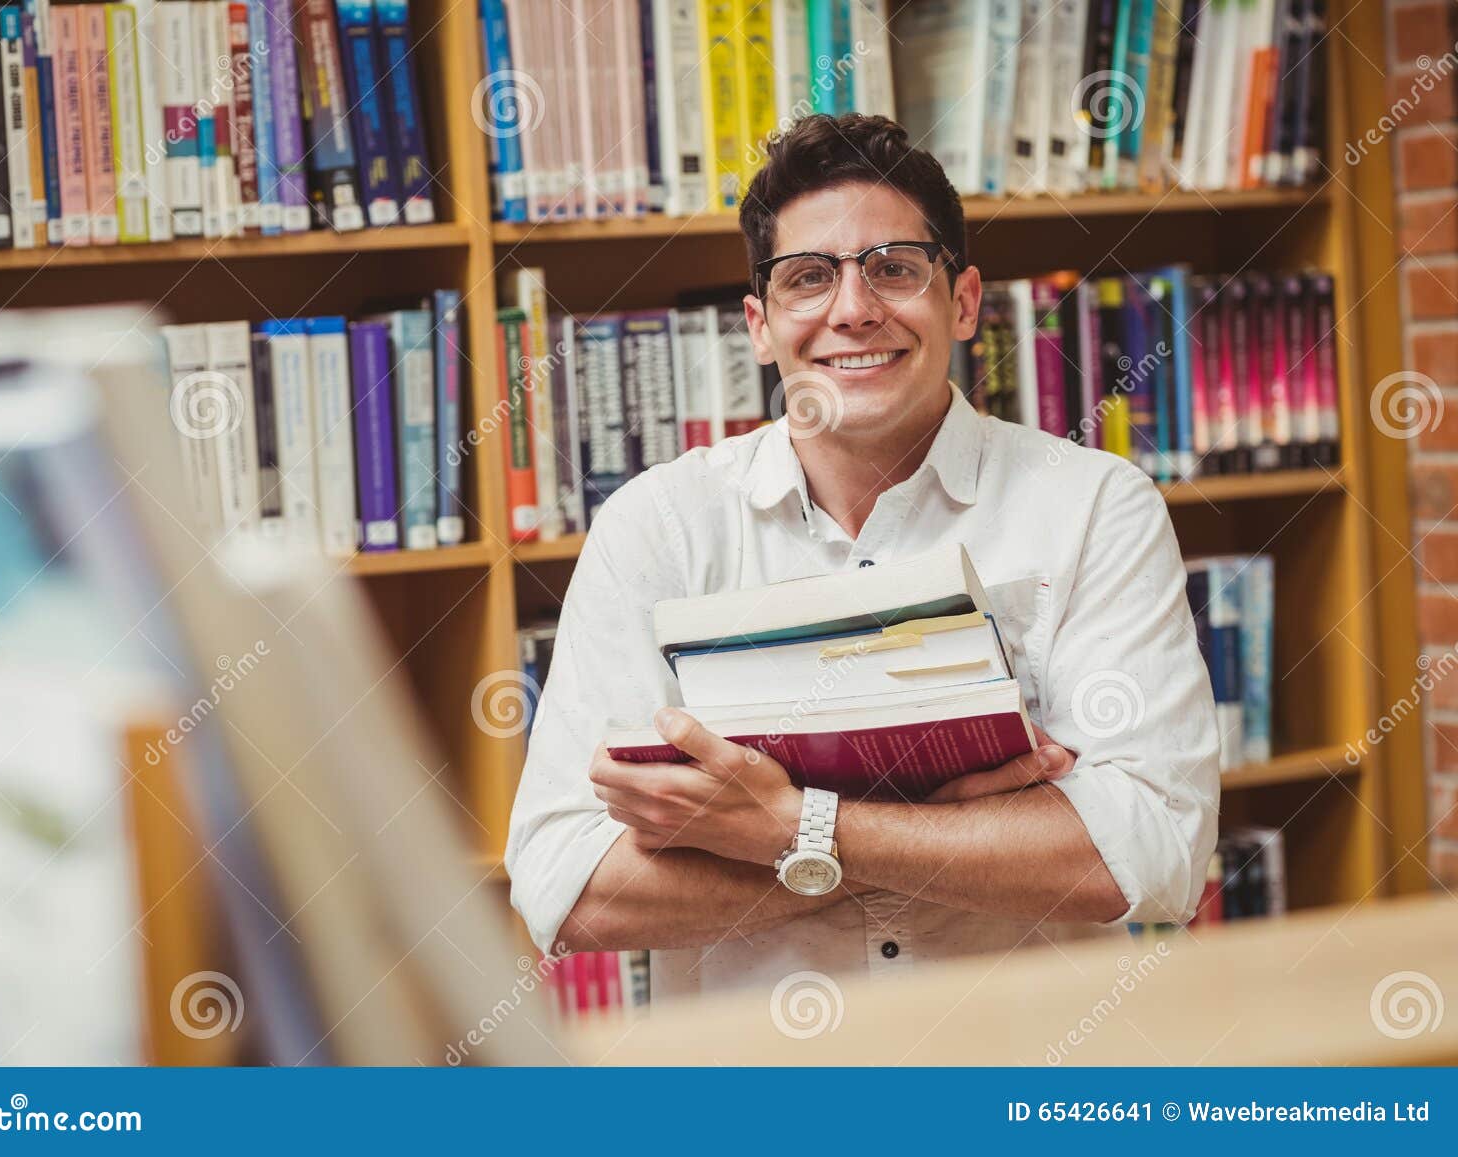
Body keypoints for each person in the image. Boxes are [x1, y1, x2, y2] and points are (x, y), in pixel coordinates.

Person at [505, 113, 1219, 1001]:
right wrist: (938, 832)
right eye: (809, 277)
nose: (854, 308)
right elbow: (565, 885)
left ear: (961, 300)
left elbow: (1155, 853)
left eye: (895, 267)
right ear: (761, 326)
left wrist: (777, 822)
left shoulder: (1095, 507)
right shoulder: (657, 526)